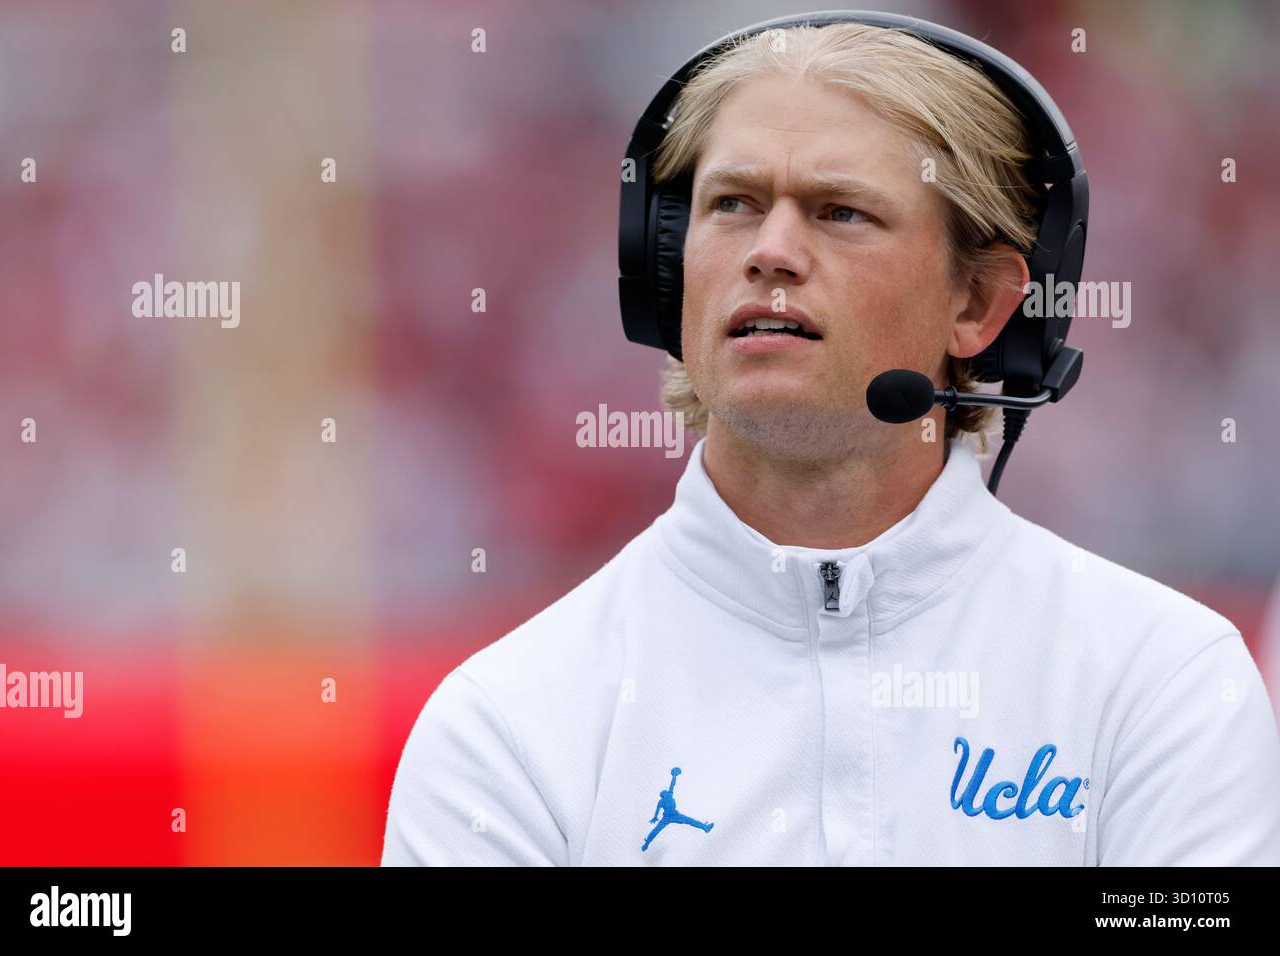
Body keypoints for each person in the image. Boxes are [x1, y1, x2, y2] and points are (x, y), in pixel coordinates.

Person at [382, 19, 1280, 866]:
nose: (770, 250)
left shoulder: (1164, 685)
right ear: (666, 270)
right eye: (732, 203)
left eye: (841, 212)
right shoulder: (504, 726)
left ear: (978, 305)